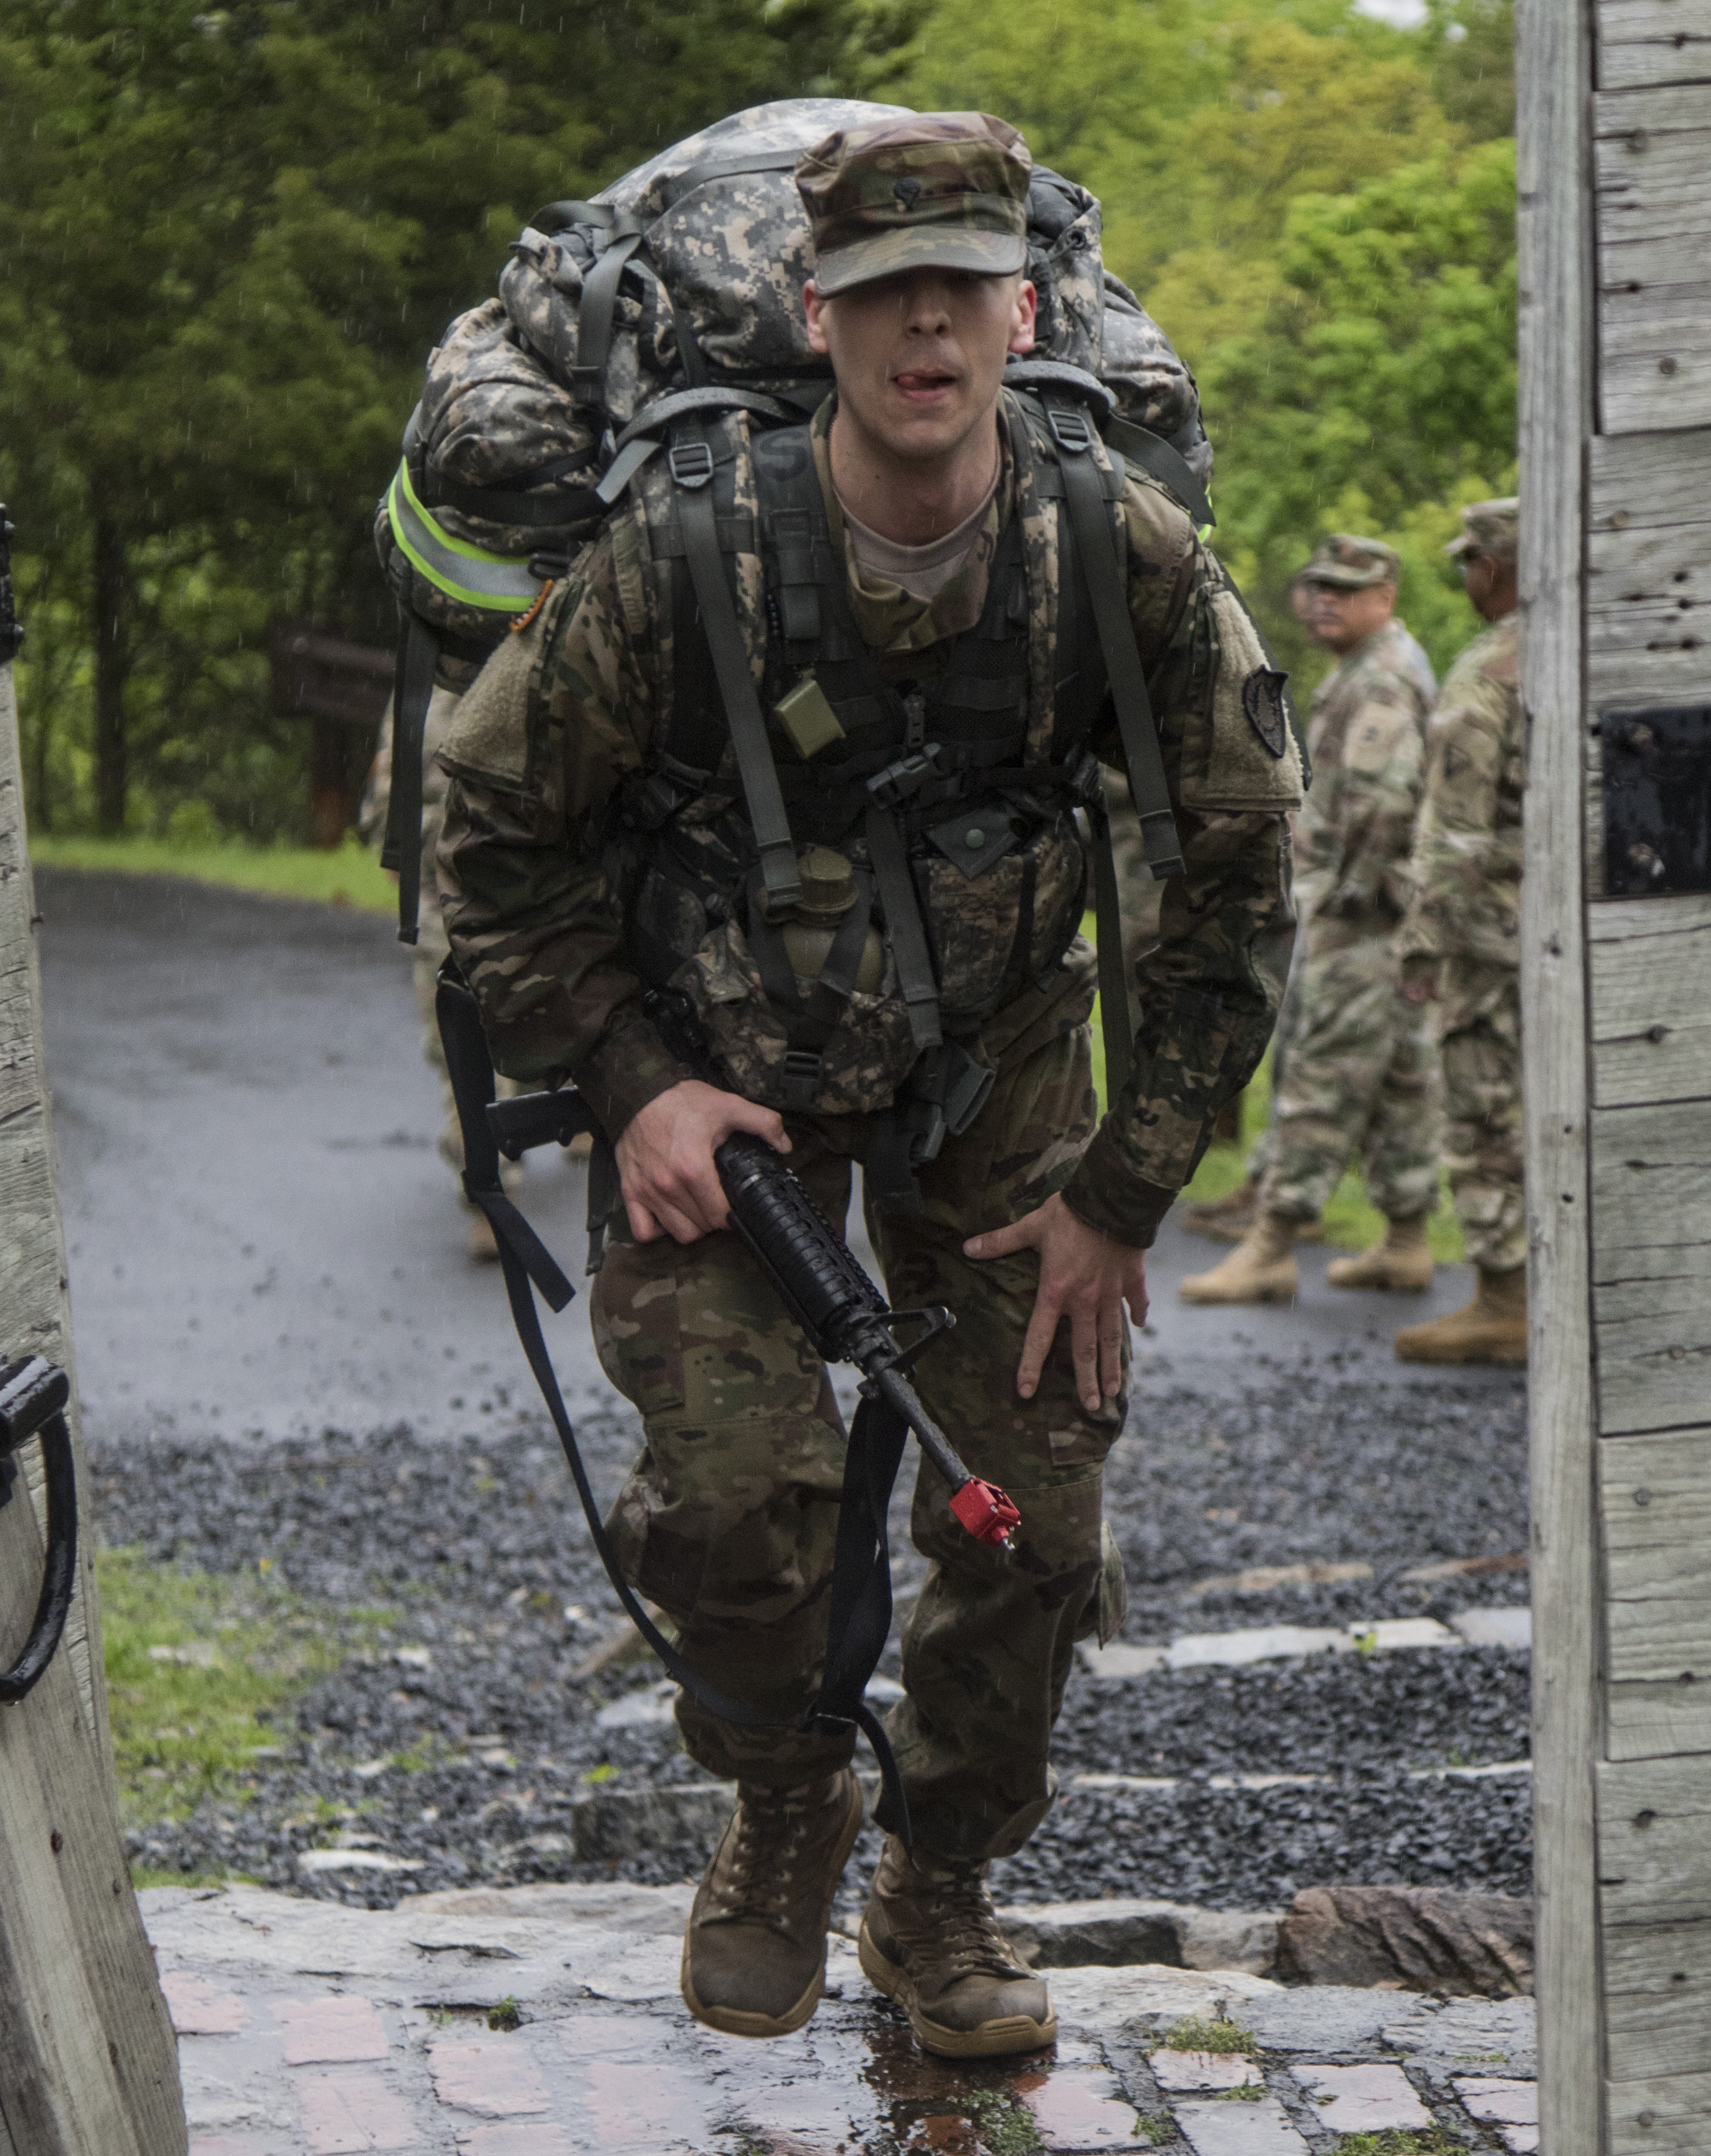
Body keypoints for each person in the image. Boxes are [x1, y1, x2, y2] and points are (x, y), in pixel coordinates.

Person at [435, 111, 1298, 2058]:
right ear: (817, 318)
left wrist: (1123, 1193)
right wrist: (635, 1077)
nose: (929, 329)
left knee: (1035, 1530)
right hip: (711, 1094)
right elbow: (489, 842)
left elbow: (1246, 874)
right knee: (740, 1499)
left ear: (1023, 308)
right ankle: (779, 1799)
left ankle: (940, 1882)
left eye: (963, 289)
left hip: (998, 1092)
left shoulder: (1115, 548)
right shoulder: (685, 554)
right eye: (884, 293)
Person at [1180, 535, 1440, 1304]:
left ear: (1384, 597)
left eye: (1347, 588)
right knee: (1396, 1076)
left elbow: (1382, 808)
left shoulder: (1385, 682)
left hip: (1362, 916)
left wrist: (1331, 895)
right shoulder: (1367, 672)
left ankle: (1271, 1244)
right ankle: (1406, 1239)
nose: (1327, 599)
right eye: (1319, 585)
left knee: (1319, 1073)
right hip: (1381, 916)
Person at [1392, 499, 1526, 1365]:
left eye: (1469, 563)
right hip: (1568, 935)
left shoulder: (1492, 669)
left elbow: (1456, 829)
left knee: (1483, 1110)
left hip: (1489, 935)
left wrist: (1423, 938)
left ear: (1501, 567)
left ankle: (1506, 1295)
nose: (1466, 580)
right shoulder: (1597, 648)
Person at [359, 695, 528, 1262]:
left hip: (501, 881)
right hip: (455, 884)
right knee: (468, 1035)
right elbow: (395, 765)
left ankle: (504, 1164)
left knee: (493, 1029)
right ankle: (491, 1188)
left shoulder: (451, 676)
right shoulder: (428, 675)